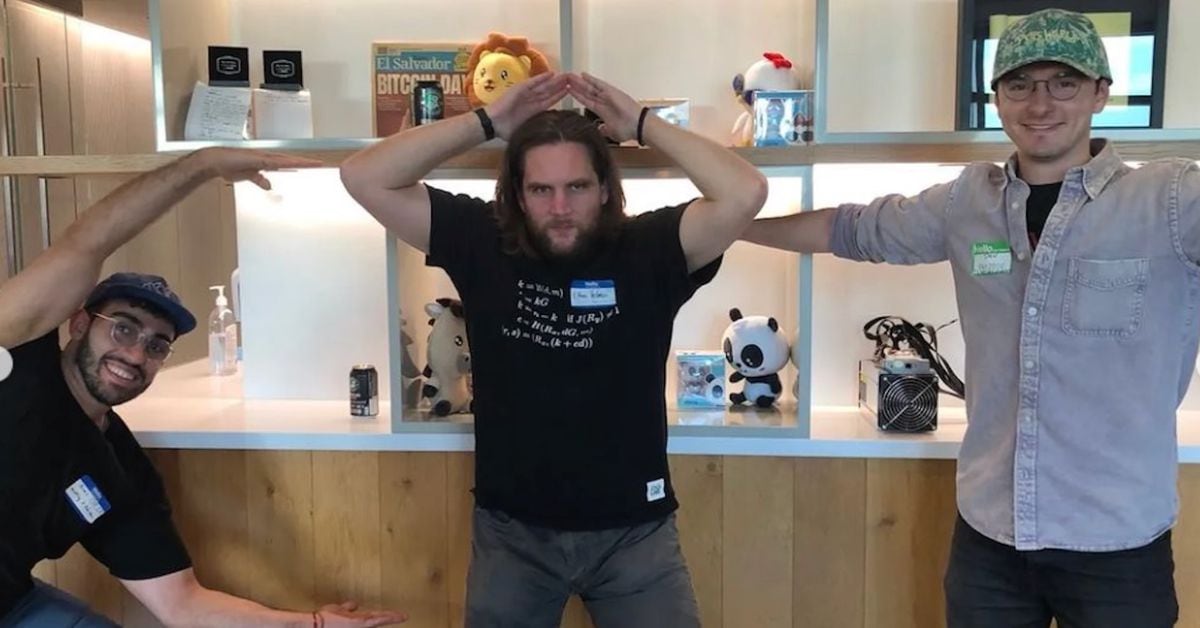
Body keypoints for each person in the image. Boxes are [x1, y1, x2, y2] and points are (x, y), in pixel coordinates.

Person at [742, 8, 1195, 627]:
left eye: (1063, 82)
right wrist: (723, 227)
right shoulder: (966, 202)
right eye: (1020, 84)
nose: (1040, 103)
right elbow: (846, 229)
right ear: (997, 99)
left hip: (1117, 545)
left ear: (1100, 93)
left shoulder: (1171, 201)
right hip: (991, 538)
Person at [341, 72, 767, 627]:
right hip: (512, 535)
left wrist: (641, 124)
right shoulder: (483, 240)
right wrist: (488, 121)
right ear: (519, 195)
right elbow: (362, 176)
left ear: (606, 189)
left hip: (634, 535)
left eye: (578, 187)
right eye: (541, 190)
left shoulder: (650, 248)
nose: (560, 206)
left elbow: (745, 193)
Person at [0, 148, 408, 627]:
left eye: (156, 345)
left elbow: (183, 604)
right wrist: (201, 166)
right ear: (78, 323)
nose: (135, 355)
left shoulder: (119, 472)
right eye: (123, 328)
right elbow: (87, 242)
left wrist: (311, 623)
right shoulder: (17, 354)